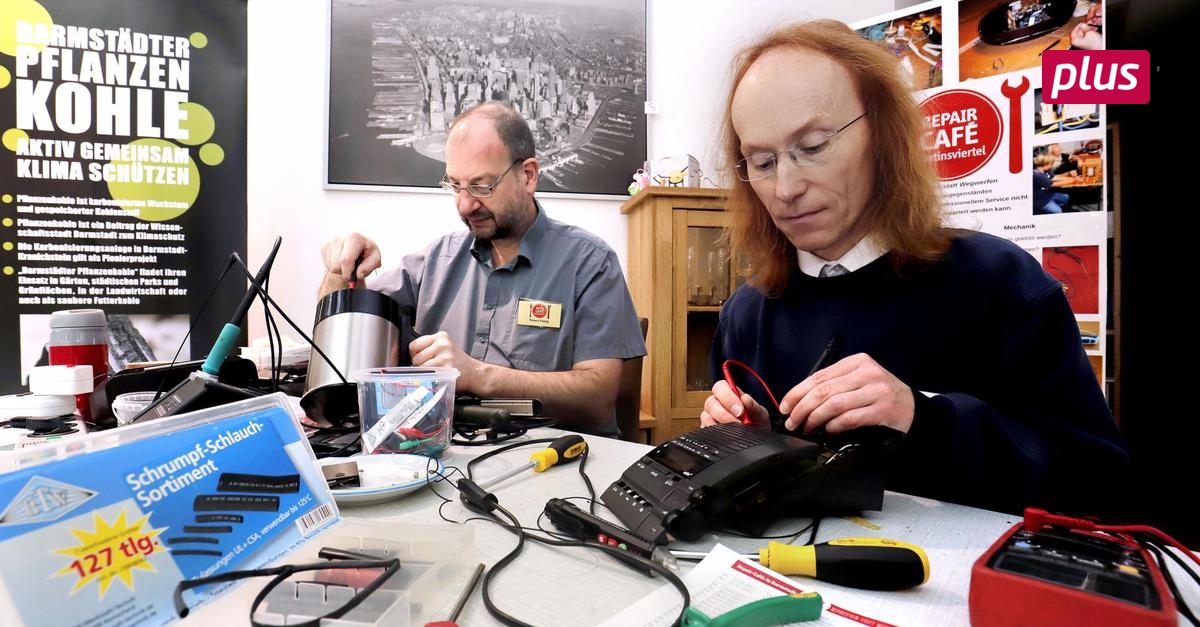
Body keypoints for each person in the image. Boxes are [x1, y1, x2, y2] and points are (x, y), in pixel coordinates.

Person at [699, 20, 1127, 515]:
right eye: (762, 162)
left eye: (813, 147)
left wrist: (927, 420)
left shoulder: (1001, 283)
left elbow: (1096, 482)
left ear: (884, 135)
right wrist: (742, 448)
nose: (786, 188)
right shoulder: (746, 314)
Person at [320, 102, 646, 437]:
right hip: (444, 453)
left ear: (528, 175)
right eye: (455, 185)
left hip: (552, 454)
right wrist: (341, 269)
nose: (465, 205)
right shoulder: (436, 260)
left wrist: (478, 375)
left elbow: (597, 398)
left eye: (481, 186)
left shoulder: (589, 262)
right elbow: (339, 332)